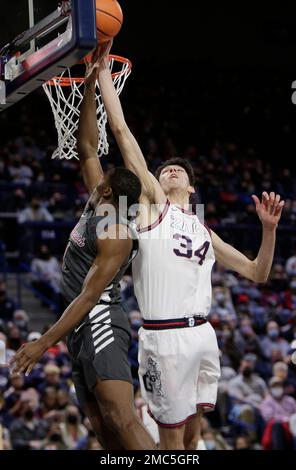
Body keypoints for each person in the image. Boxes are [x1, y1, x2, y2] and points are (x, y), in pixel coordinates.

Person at [95, 41, 285, 450]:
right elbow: (122, 131)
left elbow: (258, 273)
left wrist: (268, 231)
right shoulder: (153, 209)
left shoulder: (205, 231)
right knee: (171, 443)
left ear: (192, 187)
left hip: (203, 335)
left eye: (179, 170)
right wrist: (103, 71)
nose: (171, 169)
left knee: (196, 433)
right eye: (165, 171)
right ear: (156, 185)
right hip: (164, 338)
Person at [8, 53, 155, 451]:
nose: (94, 175)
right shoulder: (100, 205)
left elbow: (90, 297)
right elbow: (88, 146)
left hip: (100, 318)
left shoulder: (116, 232)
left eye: (101, 179)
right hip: (80, 325)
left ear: (106, 190)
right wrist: (89, 84)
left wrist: (43, 343)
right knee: (101, 424)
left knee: (121, 418)